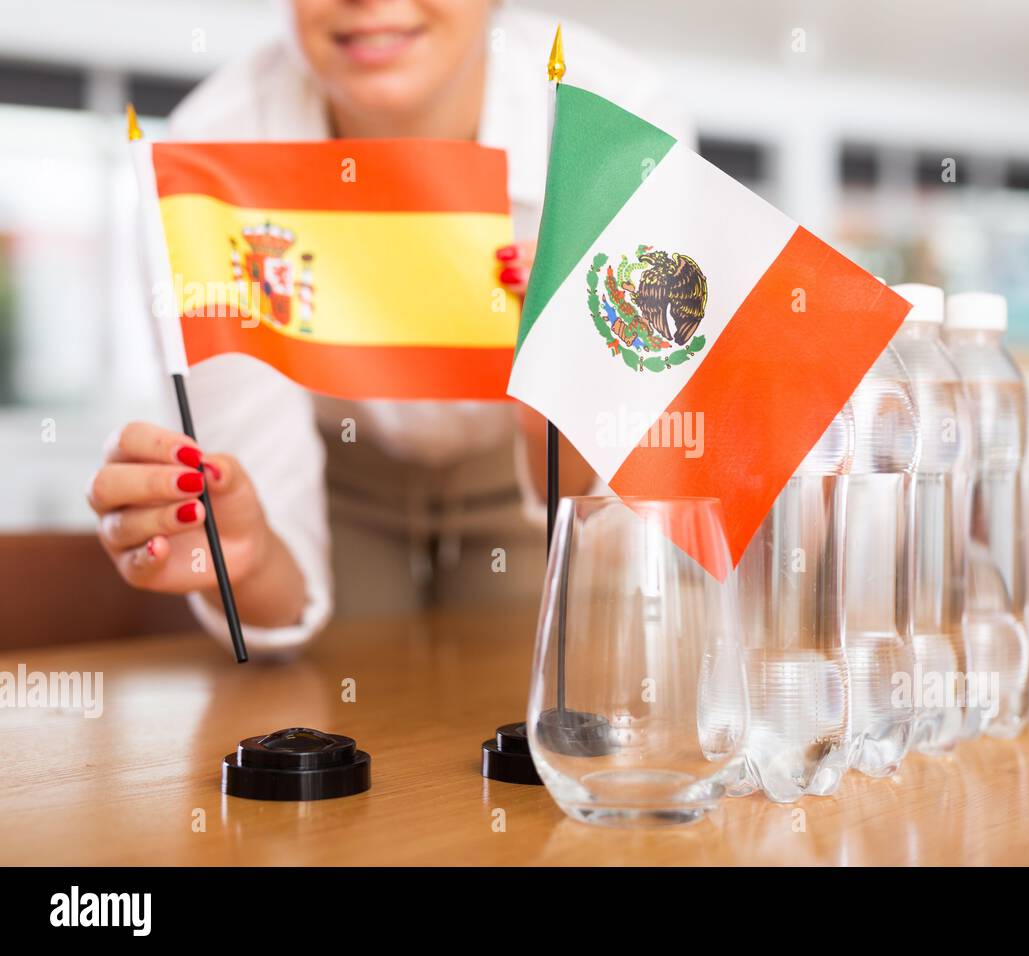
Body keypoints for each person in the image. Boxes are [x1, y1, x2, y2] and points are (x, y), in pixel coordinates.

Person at [86, 0, 692, 651]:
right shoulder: (209, 151)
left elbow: (609, 492)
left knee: (535, 684)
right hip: (339, 473)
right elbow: (269, 580)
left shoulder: (618, 117)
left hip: (539, 470)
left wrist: (555, 407)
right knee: (339, 697)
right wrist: (248, 558)